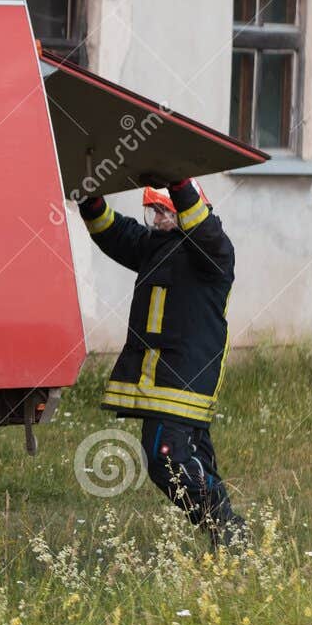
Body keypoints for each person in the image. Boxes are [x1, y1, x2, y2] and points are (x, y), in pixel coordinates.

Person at [77, 179, 246, 547]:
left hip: (183, 384)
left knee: (165, 460)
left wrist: (179, 182)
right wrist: (89, 199)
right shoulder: (157, 245)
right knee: (192, 461)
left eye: (162, 211)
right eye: (151, 212)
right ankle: (229, 538)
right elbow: (116, 234)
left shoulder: (214, 250)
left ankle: (228, 528)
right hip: (162, 384)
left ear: (185, 208)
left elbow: (202, 229)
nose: (154, 220)